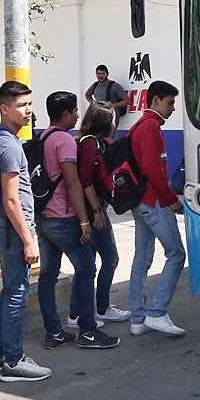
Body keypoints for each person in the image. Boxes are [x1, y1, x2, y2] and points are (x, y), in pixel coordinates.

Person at [34, 92, 120, 351]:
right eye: (73, 112)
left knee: (47, 276)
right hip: (64, 217)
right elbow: (74, 182)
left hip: (44, 216)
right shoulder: (65, 141)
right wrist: (85, 220)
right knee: (85, 269)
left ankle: (54, 332)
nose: (77, 116)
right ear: (64, 114)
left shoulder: (45, 136)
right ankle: (88, 331)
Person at [0, 81, 50, 382]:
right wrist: (28, 239)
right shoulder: (9, 145)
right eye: (21, 105)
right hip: (12, 229)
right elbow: (11, 200)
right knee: (17, 294)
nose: (28, 110)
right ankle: (13, 360)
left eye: (29, 104)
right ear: (4, 108)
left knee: (10, 290)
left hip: (3, 226)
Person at [128, 79, 187, 337]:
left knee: (141, 259)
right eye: (170, 102)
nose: (172, 108)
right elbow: (153, 169)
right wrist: (171, 198)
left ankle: (138, 318)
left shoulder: (139, 126)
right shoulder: (151, 126)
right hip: (154, 202)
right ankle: (157, 312)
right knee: (176, 254)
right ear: (155, 100)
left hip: (141, 201)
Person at [73, 102, 130, 325]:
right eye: (113, 117)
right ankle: (102, 308)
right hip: (93, 207)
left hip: (95, 206)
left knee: (88, 263)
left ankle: (76, 313)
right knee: (110, 257)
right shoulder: (90, 144)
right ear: (106, 122)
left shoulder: (95, 143)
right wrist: (96, 211)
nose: (116, 122)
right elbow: (85, 180)